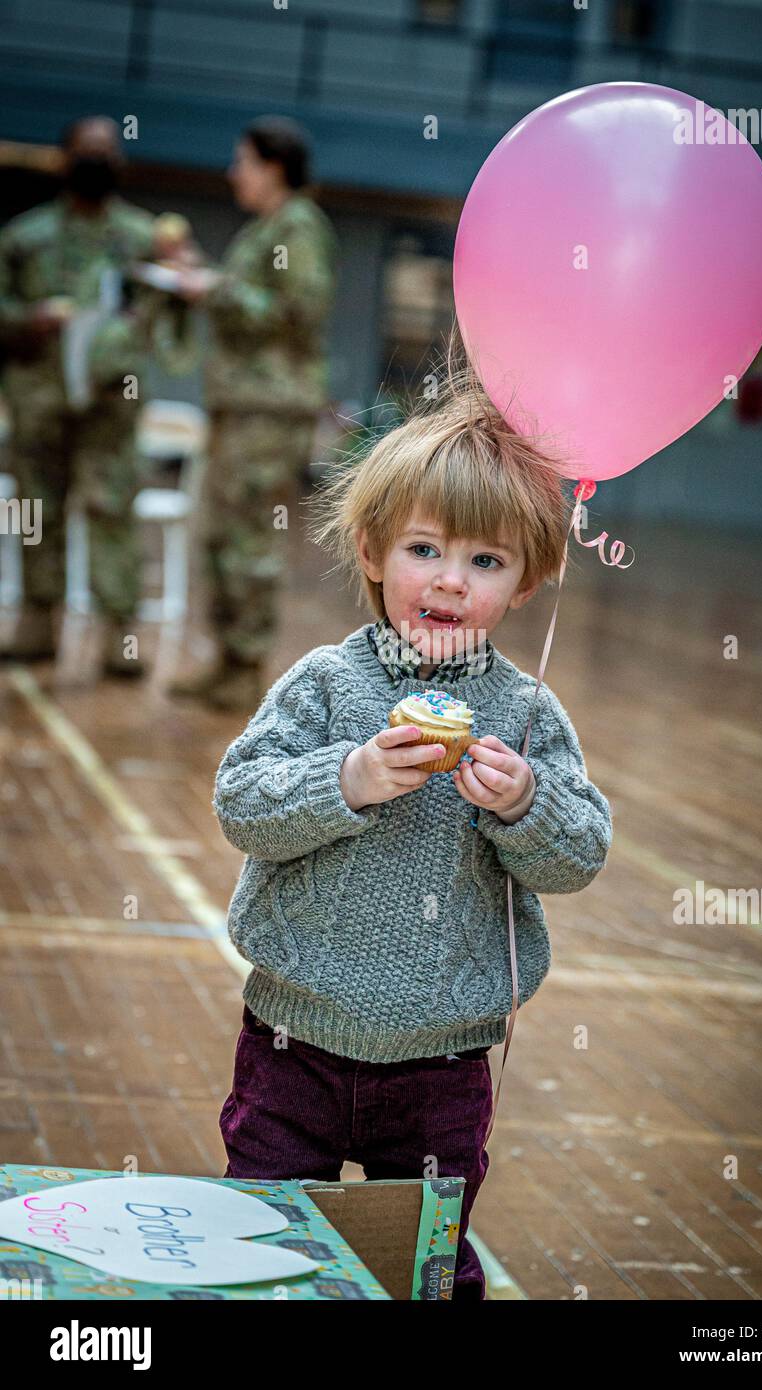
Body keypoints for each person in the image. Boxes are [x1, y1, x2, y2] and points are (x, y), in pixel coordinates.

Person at [212, 337, 614, 1300]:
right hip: (290, 1045)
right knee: (261, 1246)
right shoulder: (326, 684)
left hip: (441, 1066)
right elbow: (241, 803)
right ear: (372, 551)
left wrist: (523, 803)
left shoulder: (525, 715)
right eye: (424, 549)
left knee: (426, 1269)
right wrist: (346, 779)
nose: (447, 580)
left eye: (484, 561)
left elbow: (581, 853)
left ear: (522, 584)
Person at [0, 116, 196, 675]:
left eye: (107, 152)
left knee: (113, 507)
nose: (96, 160)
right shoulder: (23, 236)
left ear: (121, 164)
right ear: (63, 158)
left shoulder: (142, 237)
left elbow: (171, 304)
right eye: (86, 151)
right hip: (39, 395)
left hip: (112, 399)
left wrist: (177, 269)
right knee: (35, 507)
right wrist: (28, 319)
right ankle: (38, 622)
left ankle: (119, 636)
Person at [169, 116, 338, 711]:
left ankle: (246, 665)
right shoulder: (268, 228)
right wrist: (204, 275)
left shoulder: (299, 226)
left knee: (248, 539)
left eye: (242, 162)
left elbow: (301, 308)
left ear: (273, 166)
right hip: (241, 405)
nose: (232, 173)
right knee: (220, 534)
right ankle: (226, 657)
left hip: (269, 409)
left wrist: (211, 289)